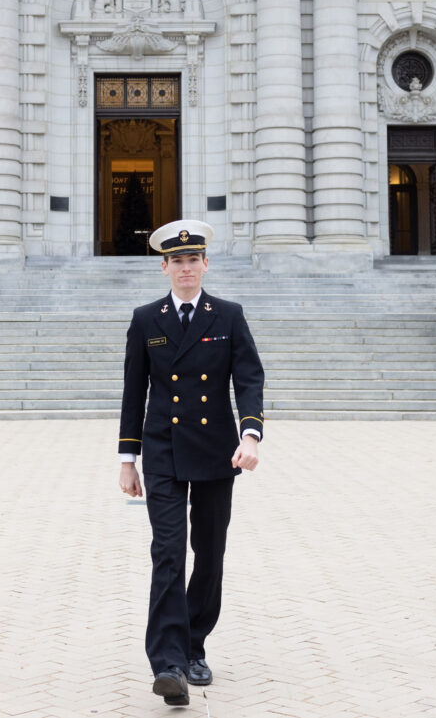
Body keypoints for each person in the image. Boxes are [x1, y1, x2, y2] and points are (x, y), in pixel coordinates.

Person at [117, 219, 265, 707]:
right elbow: (134, 392)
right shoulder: (146, 319)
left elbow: (247, 377)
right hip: (162, 450)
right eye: (176, 261)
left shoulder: (227, 315)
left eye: (192, 260)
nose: (185, 268)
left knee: (210, 551)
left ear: (206, 264)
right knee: (168, 550)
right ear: (164, 267)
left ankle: (195, 642)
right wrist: (127, 459)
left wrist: (251, 435)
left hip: (216, 451)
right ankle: (169, 663)